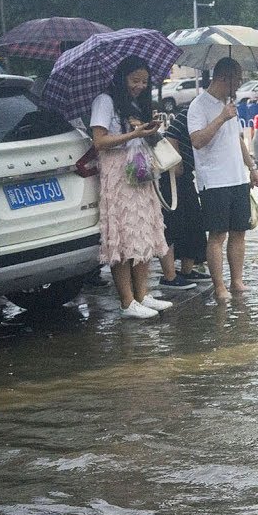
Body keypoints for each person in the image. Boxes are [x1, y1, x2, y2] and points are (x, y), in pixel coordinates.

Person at [89, 56, 172, 319]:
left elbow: (140, 139)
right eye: (135, 80)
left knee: (145, 230)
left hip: (140, 172)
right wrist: (133, 134)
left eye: (144, 81)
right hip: (117, 176)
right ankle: (127, 301)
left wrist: (150, 131)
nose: (139, 86)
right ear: (122, 77)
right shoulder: (106, 101)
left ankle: (143, 294)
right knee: (123, 236)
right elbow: (99, 141)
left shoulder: (136, 103)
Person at [188, 57, 258, 302]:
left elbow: (237, 139)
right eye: (236, 80)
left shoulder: (230, 104)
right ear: (222, 78)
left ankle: (237, 280)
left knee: (239, 231)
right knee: (218, 235)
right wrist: (220, 118)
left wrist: (251, 166)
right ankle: (219, 286)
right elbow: (197, 141)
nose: (239, 85)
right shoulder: (199, 106)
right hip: (214, 179)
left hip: (236, 177)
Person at [157, 109, 206, 290]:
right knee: (172, 222)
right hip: (171, 175)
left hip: (186, 175)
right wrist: (175, 164)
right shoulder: (193, 111)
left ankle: (186, 271)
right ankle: (169, 276)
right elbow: (170, 135)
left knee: (193, 220)